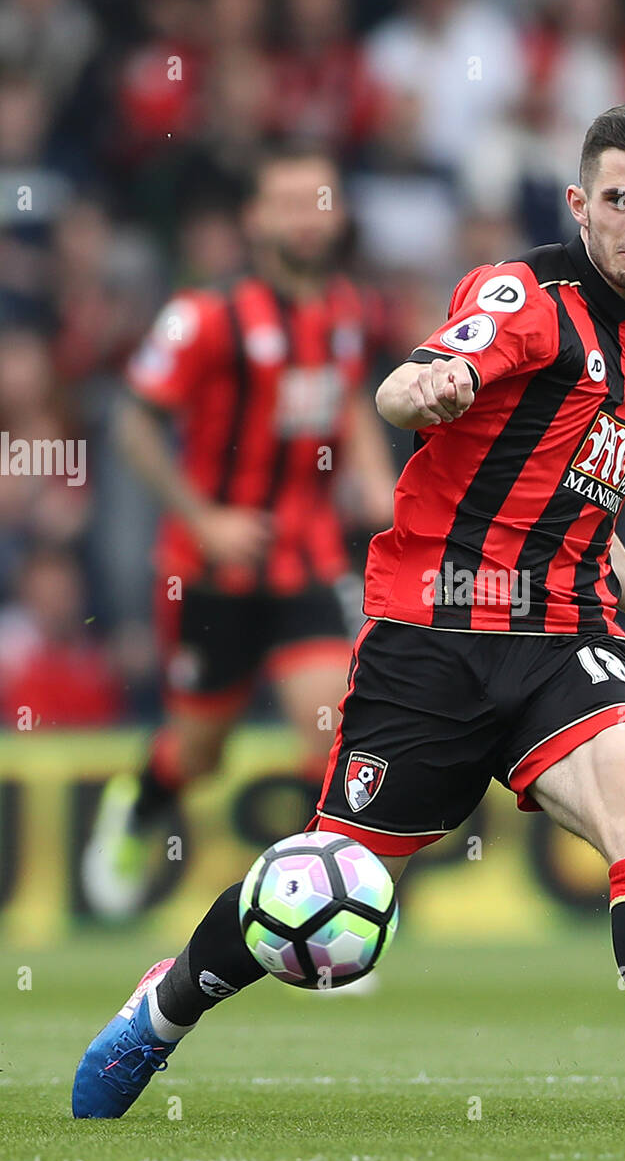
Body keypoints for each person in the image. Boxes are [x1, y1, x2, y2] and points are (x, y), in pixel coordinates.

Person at [73, 104, 625, 1122]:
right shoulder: (526, 297)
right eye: (618, 200)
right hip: (437, 634)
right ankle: (163, 1009)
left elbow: (574, 508)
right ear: (579, 205)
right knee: (321, 886)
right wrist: (435, 384)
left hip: (561, 634)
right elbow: (404, 388)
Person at [80, 146, 394, 918]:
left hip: (306, 559)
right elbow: (133, 424)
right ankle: (140, 802)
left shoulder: (349, 309)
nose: (307, 218)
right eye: (288, 202)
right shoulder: (206, 314)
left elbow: (349, 399)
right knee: (199, 751)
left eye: (319, 201)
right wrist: (205, 519)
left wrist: (377, 479)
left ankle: (326, 913)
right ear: (254, 219)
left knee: (331, 732)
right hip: (211, 568)